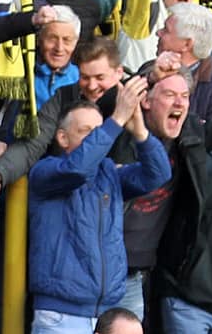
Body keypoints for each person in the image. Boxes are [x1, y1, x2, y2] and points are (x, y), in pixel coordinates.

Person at [28, 75, 173, 332]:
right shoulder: (46, 171)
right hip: (61, 314)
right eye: (87, 131)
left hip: (109, 312)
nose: (98, 138)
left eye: (100, 130)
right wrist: (115, 120)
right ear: (62, 138)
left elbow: (158, 174)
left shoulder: (108, 173)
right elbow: (77, 169)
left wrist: (140, 131)